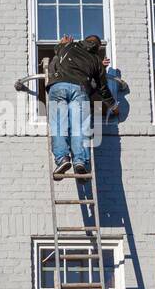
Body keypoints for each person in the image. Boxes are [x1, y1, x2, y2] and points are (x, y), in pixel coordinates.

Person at [46, 34, 118, 180]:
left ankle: (63, 159)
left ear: (84, 41)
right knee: (80, 128)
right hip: (80, 89)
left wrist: (62, 44)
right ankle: (79, 161)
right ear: (97, 48)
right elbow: (102, 87)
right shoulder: (96, 60)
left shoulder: (70, 46)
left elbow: (57, 51)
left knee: (59, 125)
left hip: (59, 86)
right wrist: (113, 105)